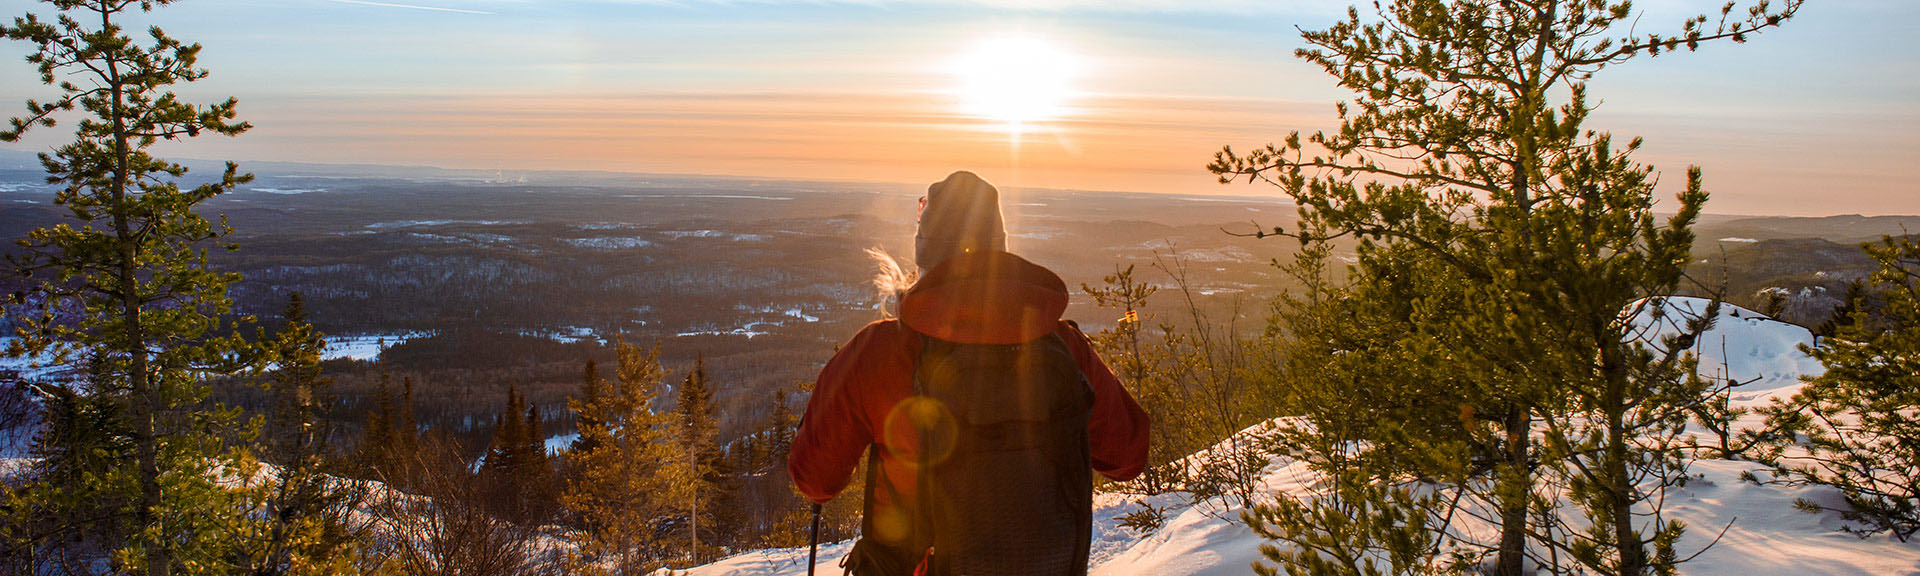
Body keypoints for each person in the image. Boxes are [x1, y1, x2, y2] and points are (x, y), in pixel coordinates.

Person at [789, 171, 1150, 576]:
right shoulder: (1060, 344)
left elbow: (816, 480)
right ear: (1000, 248)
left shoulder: (881, 351)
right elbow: (1128, 455)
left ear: (923, 253)